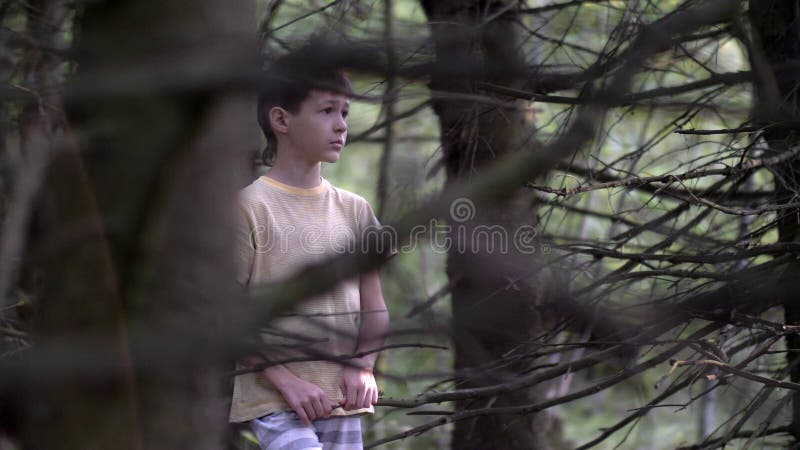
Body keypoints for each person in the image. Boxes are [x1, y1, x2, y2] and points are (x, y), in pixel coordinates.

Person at [229, 50, 392, 450]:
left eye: (345, 113)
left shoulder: (355, 210)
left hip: (343, 401)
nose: (341, 125)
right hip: (275, 400)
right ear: (281, 120)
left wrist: (363, 366)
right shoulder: (247, 208)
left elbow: (375, 308)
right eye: (327, 111)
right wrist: (287, 381)